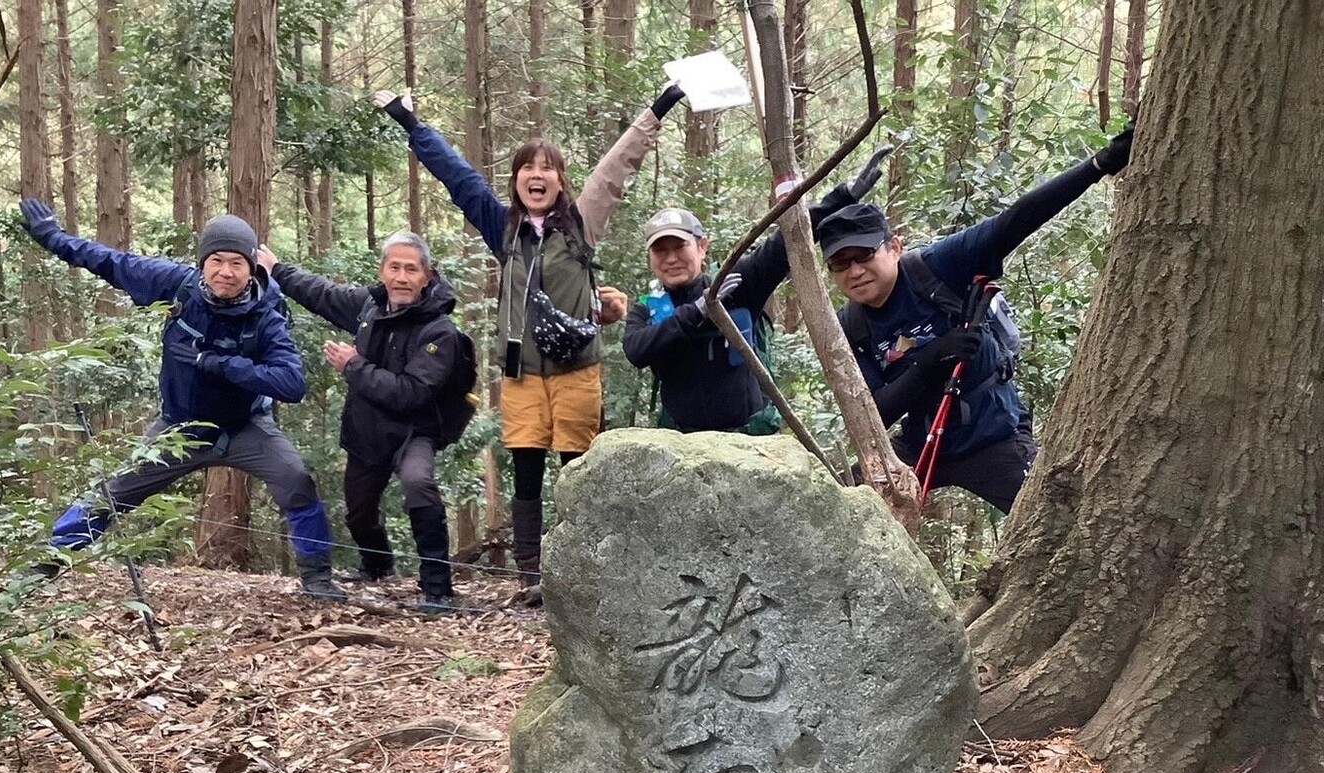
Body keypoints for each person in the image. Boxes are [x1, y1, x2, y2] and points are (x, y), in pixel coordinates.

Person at [374, 84, 685, 602]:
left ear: (560, 180)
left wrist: (658, 108)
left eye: (547, 168)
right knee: (525, 471)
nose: (536, 176)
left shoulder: (581, 225)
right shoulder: (504, 229)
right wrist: (409, 122)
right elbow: (456, 176)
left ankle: (584, 571)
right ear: (517, 180)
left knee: (576, 471)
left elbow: (616, 167)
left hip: (576, 370)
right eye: (527, 168)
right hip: (521, 373)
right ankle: (532, 577)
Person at [18, 200, 347, 601]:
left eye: (237, 263)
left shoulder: (266, 314)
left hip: (246, 429)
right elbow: (109, 261)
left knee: (296, 481)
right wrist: (53, 238)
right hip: (179, 427)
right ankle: (47, 563)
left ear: (252, 269)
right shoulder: (178, 285)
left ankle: (318, 580)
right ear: (203, 263)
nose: (226, 271)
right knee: (114, 492)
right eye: (217, 260)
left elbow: (292, 383)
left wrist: (222, 364)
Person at [820, 124, 1135, 513]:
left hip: (993, 436)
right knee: (839, 506)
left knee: (1049, 523)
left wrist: (1099, 164)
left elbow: (1016, 220)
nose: (854, 272)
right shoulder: (849, 325)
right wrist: (932, 359)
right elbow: (876, 413)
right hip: (917, 445)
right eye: (840, 264)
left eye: (864, 256)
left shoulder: (937, 266)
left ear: (894, 248)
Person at [257, 233, 472, 616]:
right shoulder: (368, 308)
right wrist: (276, 270)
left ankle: (437, 589)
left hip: (415, 430)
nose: (402, 277)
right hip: (368, 429)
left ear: (427, 276)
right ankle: (378, 566)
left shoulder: (440, 331)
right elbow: (321, 293)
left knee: (418, 482)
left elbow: (411, 393)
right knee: (358, 512)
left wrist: (353, 366)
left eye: (411, 269)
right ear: (383, 271)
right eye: (395, 267)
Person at [622, 151, 891, 434]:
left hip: (749, 442)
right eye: (660, 251)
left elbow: (783, 243)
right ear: (650, 258)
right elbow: (636, 351)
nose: (671, 258)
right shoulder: (649, 308)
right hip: (681, 444)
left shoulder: (734, 284)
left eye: (679, 247)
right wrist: (698, 310)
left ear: (702, 247)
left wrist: (844, 196)